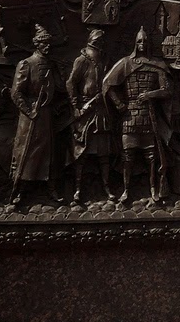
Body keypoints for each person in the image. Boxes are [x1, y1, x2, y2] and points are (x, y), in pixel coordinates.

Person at [103, 26, 173, 202]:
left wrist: (150, 94)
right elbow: (108, 85)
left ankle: (153, 189)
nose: (142, 44)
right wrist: (119, 104)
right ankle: (126, 190)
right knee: (128, 157)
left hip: (149, 117)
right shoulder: (126, 63)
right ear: (135, 43)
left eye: (145, 41)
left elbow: (167, 91)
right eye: (139, 41)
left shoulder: (157, 65)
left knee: (151, 158)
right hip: (130, 117)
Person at [10, 24, 68, 205]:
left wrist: (61, 73)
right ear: (37, 44)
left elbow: (60, 89)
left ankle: (51, 188)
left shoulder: (51, 64)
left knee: (49, 153)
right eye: (45, 43)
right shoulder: (27, 64)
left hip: (47, 115)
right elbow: (16, 93)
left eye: (50, 43)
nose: (48, 46)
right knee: (27, 153)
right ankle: (20, 190)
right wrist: (29, 111)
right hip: (31, 116)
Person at [66, 29, 116, 202]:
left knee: (104, 154)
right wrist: (75, 106)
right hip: (85, 111)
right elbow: (71, 83)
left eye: (102, 41)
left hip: (101, 110)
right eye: (98, 41)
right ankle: (77, 189)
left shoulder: (104, 60)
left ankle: (106, 187)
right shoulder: (81, 60)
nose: (101, 43)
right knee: (81, 153)